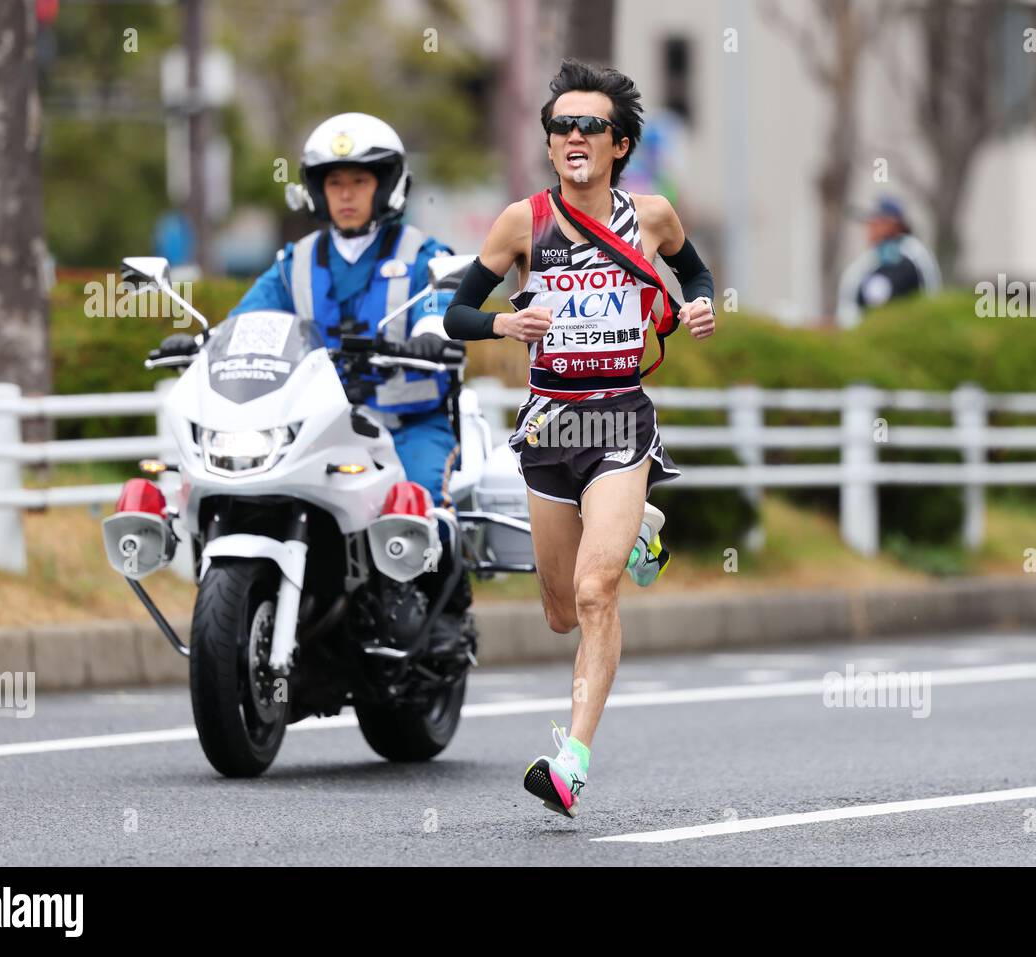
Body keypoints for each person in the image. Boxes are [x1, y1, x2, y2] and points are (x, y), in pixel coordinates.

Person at [444, 59, 716, 818]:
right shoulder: (520, 223)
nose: (572, 137)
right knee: (561, 610)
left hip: (619, 421)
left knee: (597, 595)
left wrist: (698, 307)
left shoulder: (653, 217)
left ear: (619, 144)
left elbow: (697, 277)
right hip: (548, 425)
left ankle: (573, 763)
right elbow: (456, 315)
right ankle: (641, 532)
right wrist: (506, 320)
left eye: (588, 126)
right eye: (561, 125)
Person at [230, 112, 472, 642]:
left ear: (385, 186)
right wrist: (205, 343)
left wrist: (433, 333)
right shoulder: (294, 262)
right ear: (317, 191)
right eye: (334, 182)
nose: (345, 194)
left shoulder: (423, 256)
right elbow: (245, 324)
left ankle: (443, 622)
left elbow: (442, 305)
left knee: (419, 506)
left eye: (359, 181)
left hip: (410, 425)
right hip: (325, 428)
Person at [835, 196, 941, 329]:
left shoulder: (906, 256)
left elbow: (881, 299)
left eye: (875, 223)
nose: (869, 229)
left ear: (892, 225)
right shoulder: (877, 257)